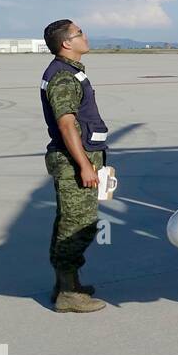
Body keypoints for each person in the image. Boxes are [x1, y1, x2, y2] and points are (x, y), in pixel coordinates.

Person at [40, 20, 108, 313]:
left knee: (68, 221)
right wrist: (84, 165)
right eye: (79, 33)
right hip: (73, 161)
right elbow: (67, 124)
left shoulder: (68, 72)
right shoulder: (64, 78)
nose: (85, 36)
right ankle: (68, 294)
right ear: (67, 43)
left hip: (78, 157)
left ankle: (67, 285)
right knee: (78, 224)